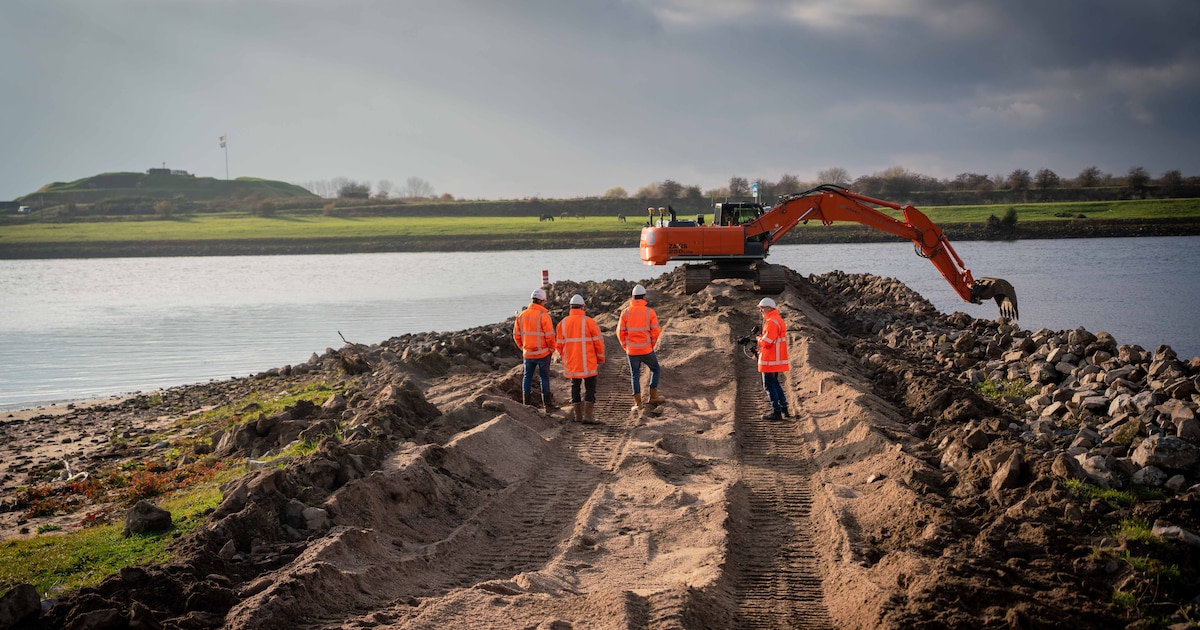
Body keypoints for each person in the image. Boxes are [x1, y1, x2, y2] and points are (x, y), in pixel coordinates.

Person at [555, 294, 605, 423]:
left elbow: (559, 346)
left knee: (575, 386)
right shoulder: (590, 322)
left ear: (570, 307)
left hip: (572, 362)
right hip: (588, 362)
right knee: (590, 387)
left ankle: (577, 416)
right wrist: (600, 358)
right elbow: (598, 343)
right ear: (583, 307)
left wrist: (565, 356)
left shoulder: (562, 324)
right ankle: (588, 416)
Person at [618, 284, 662, 410]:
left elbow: (620, 332)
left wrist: (626, 347)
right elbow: (656, 331)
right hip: (646, 349)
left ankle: (638, 404)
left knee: (635, 375)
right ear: (643, 297)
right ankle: (652, 397)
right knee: (656, 370)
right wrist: (651, 345)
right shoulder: (650, 312)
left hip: (632, 351)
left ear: (632, 297)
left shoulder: (625, 312)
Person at [513, 288, 557, 412]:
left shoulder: (521, 315)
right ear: (543, 301)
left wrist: (523, 347)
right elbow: (549, 335)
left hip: (528, 354)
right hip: (543, 353)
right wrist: (552, 349)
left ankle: (526, 405)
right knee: (544, 378)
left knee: (527, 378)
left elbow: (516, 334)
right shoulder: (543, 316)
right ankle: (548, 406)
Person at [756, 297, 791, 421]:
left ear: (770, 308)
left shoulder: (771, 322)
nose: (761, 311)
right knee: (775, 383)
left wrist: (758, 339)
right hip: (775, 359)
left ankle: (776, 412)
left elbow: (767, 342)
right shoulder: (778, 320)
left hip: (769, 359)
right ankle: (784, 408)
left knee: (769, 385)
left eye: (762, 308)